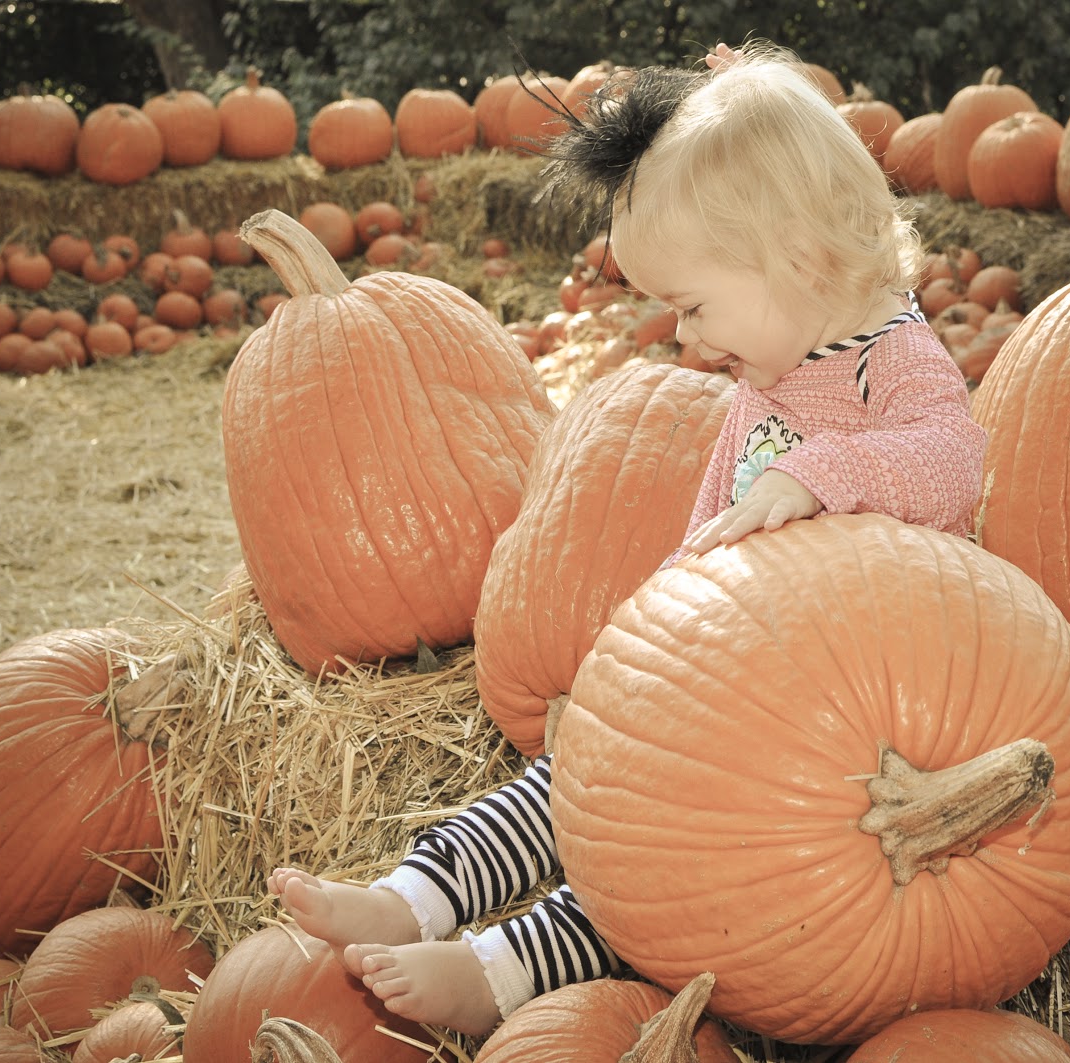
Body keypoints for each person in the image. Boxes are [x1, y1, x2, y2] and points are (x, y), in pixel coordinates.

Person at [267, 39, 988, 1037]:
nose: (688, 340)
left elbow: (954, 460)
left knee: (663, 871)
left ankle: (498, 972)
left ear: (802, 256)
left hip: (838, 737)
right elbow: (713, 531)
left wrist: (821, 476)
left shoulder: (892, 362)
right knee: (569, 780)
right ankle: (415, 892)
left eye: (693, 306)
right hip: (725, 679)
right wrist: (647, 648)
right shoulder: (770, 370)